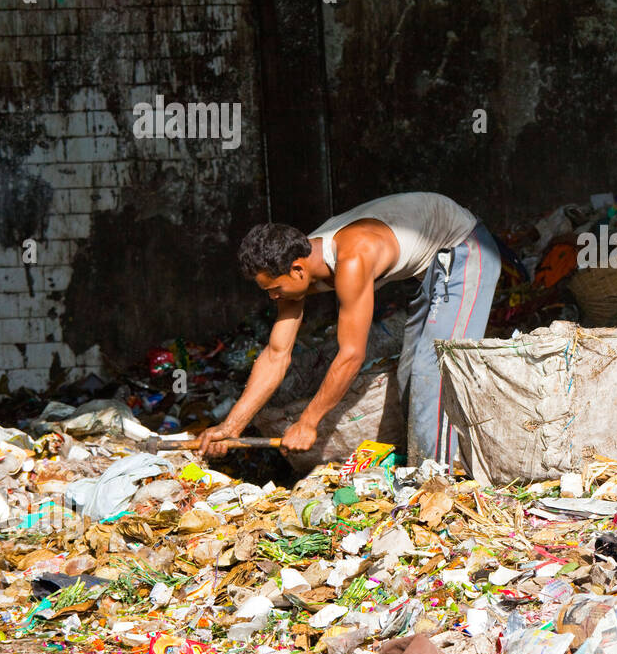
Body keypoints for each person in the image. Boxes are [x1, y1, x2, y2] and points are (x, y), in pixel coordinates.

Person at [197, 192, 501, 469]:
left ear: (298, 270)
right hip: (431, 263)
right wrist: (232, 425)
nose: (273, 297)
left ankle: (440, 478)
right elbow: (277, 355)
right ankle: (424, 463)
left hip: (465, 247)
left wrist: (308, 421)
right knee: (409, 372)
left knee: (432, 369)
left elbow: (352, 355)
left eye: (275, 289)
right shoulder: (297, 261)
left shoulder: (351, 260)